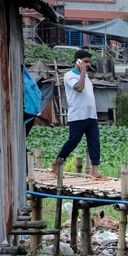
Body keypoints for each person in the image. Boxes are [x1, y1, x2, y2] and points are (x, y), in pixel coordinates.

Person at [52, 49, 106, 179]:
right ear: (78, 61)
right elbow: (79, 88)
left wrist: (83, 73)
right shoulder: (69, 75)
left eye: (89, 62)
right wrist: (82, 73)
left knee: (94, 142)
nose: (88, 64)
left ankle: (95, 171)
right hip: (77, 116)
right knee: (73, 141)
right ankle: (56, 163)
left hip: (91, 115)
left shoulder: (85, 76)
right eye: (85, 61)